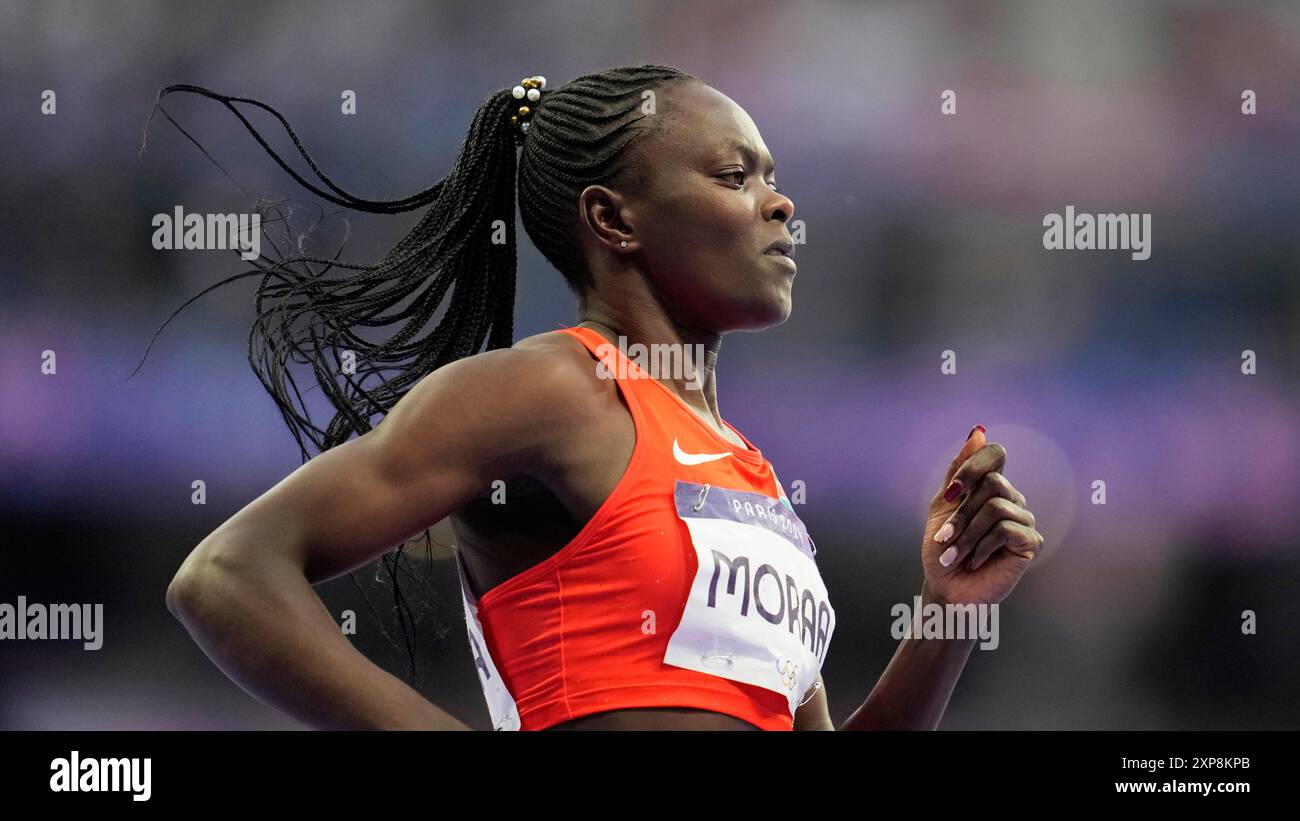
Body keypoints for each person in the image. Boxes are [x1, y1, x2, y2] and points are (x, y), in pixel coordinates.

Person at [160, 65, 1045, 731]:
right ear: (614, 220)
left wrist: (947, 613)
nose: (780, 204)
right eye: (734, 176)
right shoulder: (552, 389)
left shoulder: (755, 483)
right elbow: (228, 576)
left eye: (773, 177)